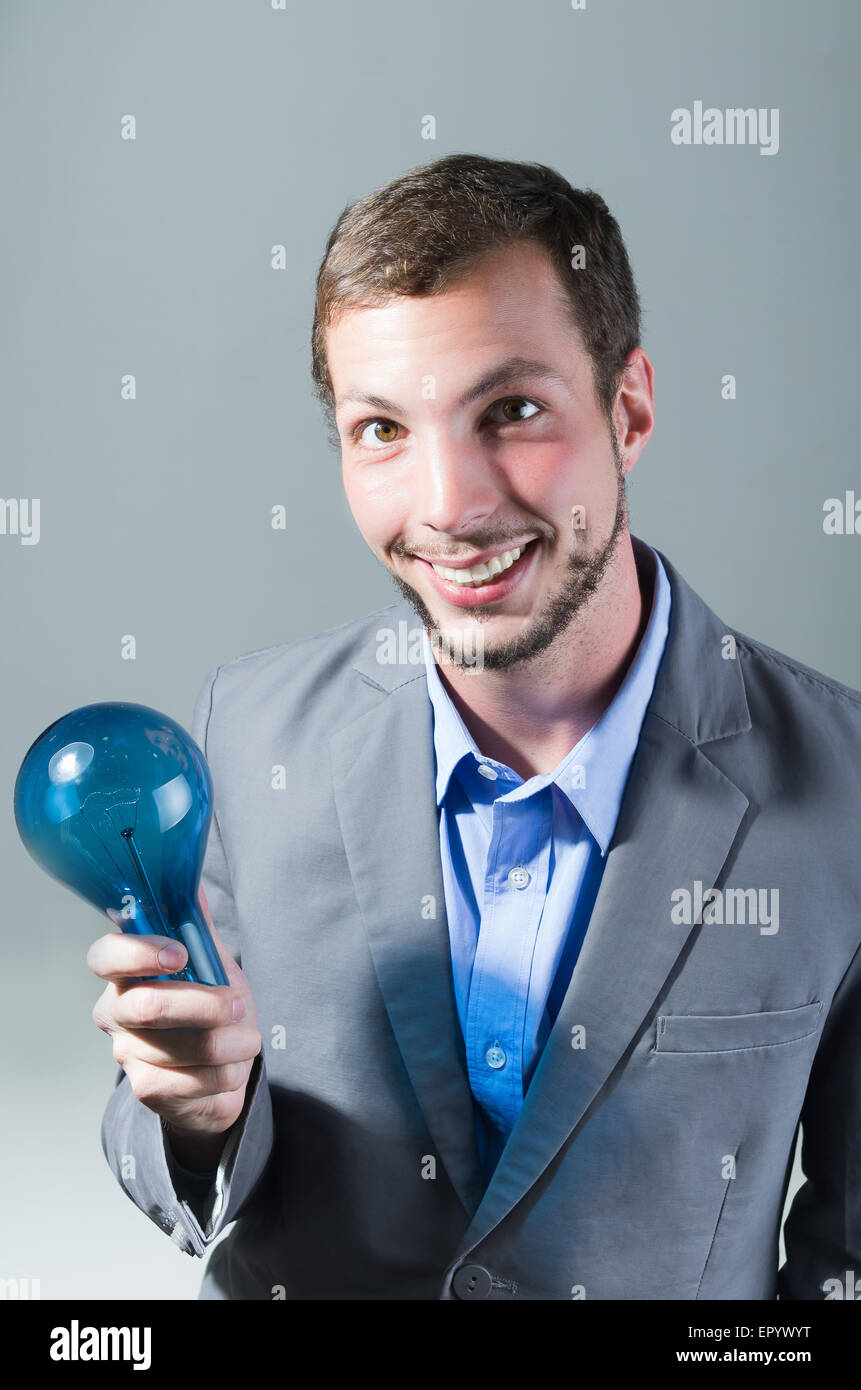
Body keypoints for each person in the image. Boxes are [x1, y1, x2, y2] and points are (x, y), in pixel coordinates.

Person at [95, 154, 861, 1300]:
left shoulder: (844, 790)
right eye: (381, 429)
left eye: (511, 411)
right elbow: (178, 1143)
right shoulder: (248, 733)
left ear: (630, 408)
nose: (448, 505)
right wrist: (198, 1111)